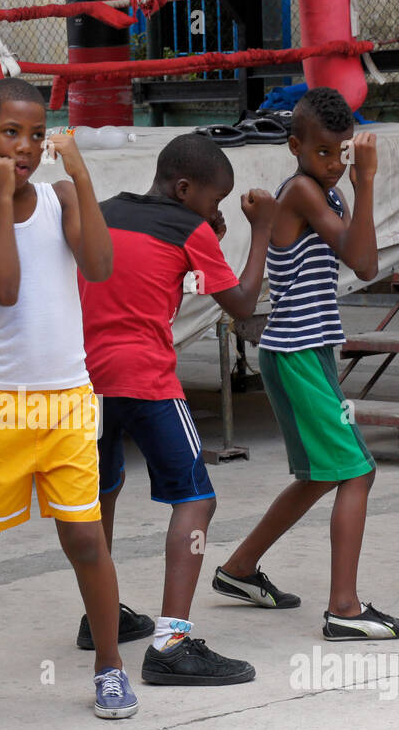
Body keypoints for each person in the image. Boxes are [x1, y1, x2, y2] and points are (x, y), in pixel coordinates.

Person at [0, 77, 137, 719]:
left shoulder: (62, 197)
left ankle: (111, 666)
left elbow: (99, 267)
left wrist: (81, 177)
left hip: (67, 401)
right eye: (10, 132)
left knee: (86, 541)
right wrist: (6, 201)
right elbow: (4, 288)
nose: (27, 146)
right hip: (1, 405)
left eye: (38, 135)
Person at [214, 87, 399, 641]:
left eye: (341, 153)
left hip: (309, 351)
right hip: (297, 352)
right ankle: (344, 609)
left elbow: (363, 260)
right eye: (323, 152)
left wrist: (356, 190)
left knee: (321, 476)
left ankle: (238, 569)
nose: (333, 163)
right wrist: (366, 184)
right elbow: (364, 262)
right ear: (295, 146)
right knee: (358, 472)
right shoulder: (304, 190)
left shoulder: (330, 194)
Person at [80, 131, 282, 686]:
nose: (216, 212)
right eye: (215, 201)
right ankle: (171, 645)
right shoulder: (189, 228)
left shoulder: (102, 212)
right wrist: (261, 230)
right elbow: (242, 304)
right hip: (146, 378)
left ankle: (99, 616)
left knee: (100, 492)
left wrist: (205, 235)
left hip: (85, 380)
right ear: (185, 188)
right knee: (196, 500)